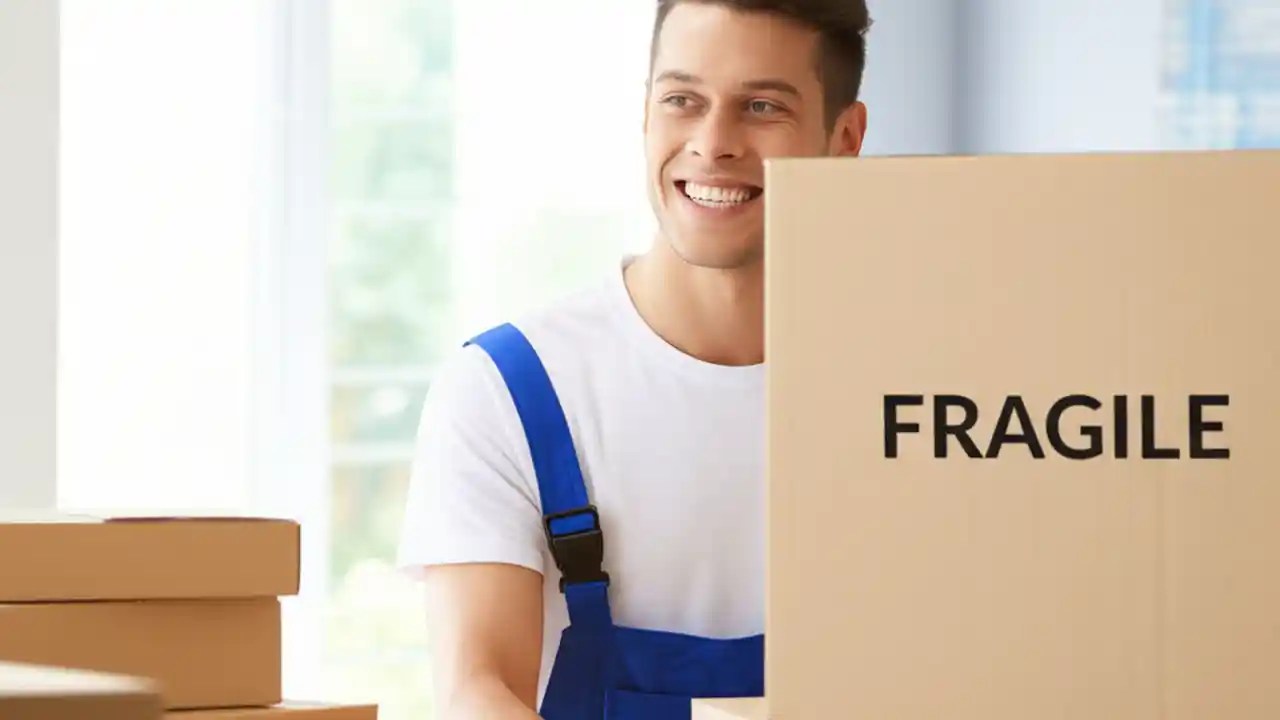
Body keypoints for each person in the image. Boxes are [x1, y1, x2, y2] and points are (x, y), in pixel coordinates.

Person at [397, 1, 870, 717]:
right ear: (646, 114)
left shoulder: (917, 389)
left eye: (763, 106)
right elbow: (478, 689)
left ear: (843, 139)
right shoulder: (509, 391)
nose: (713, 143)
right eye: (682, 100)